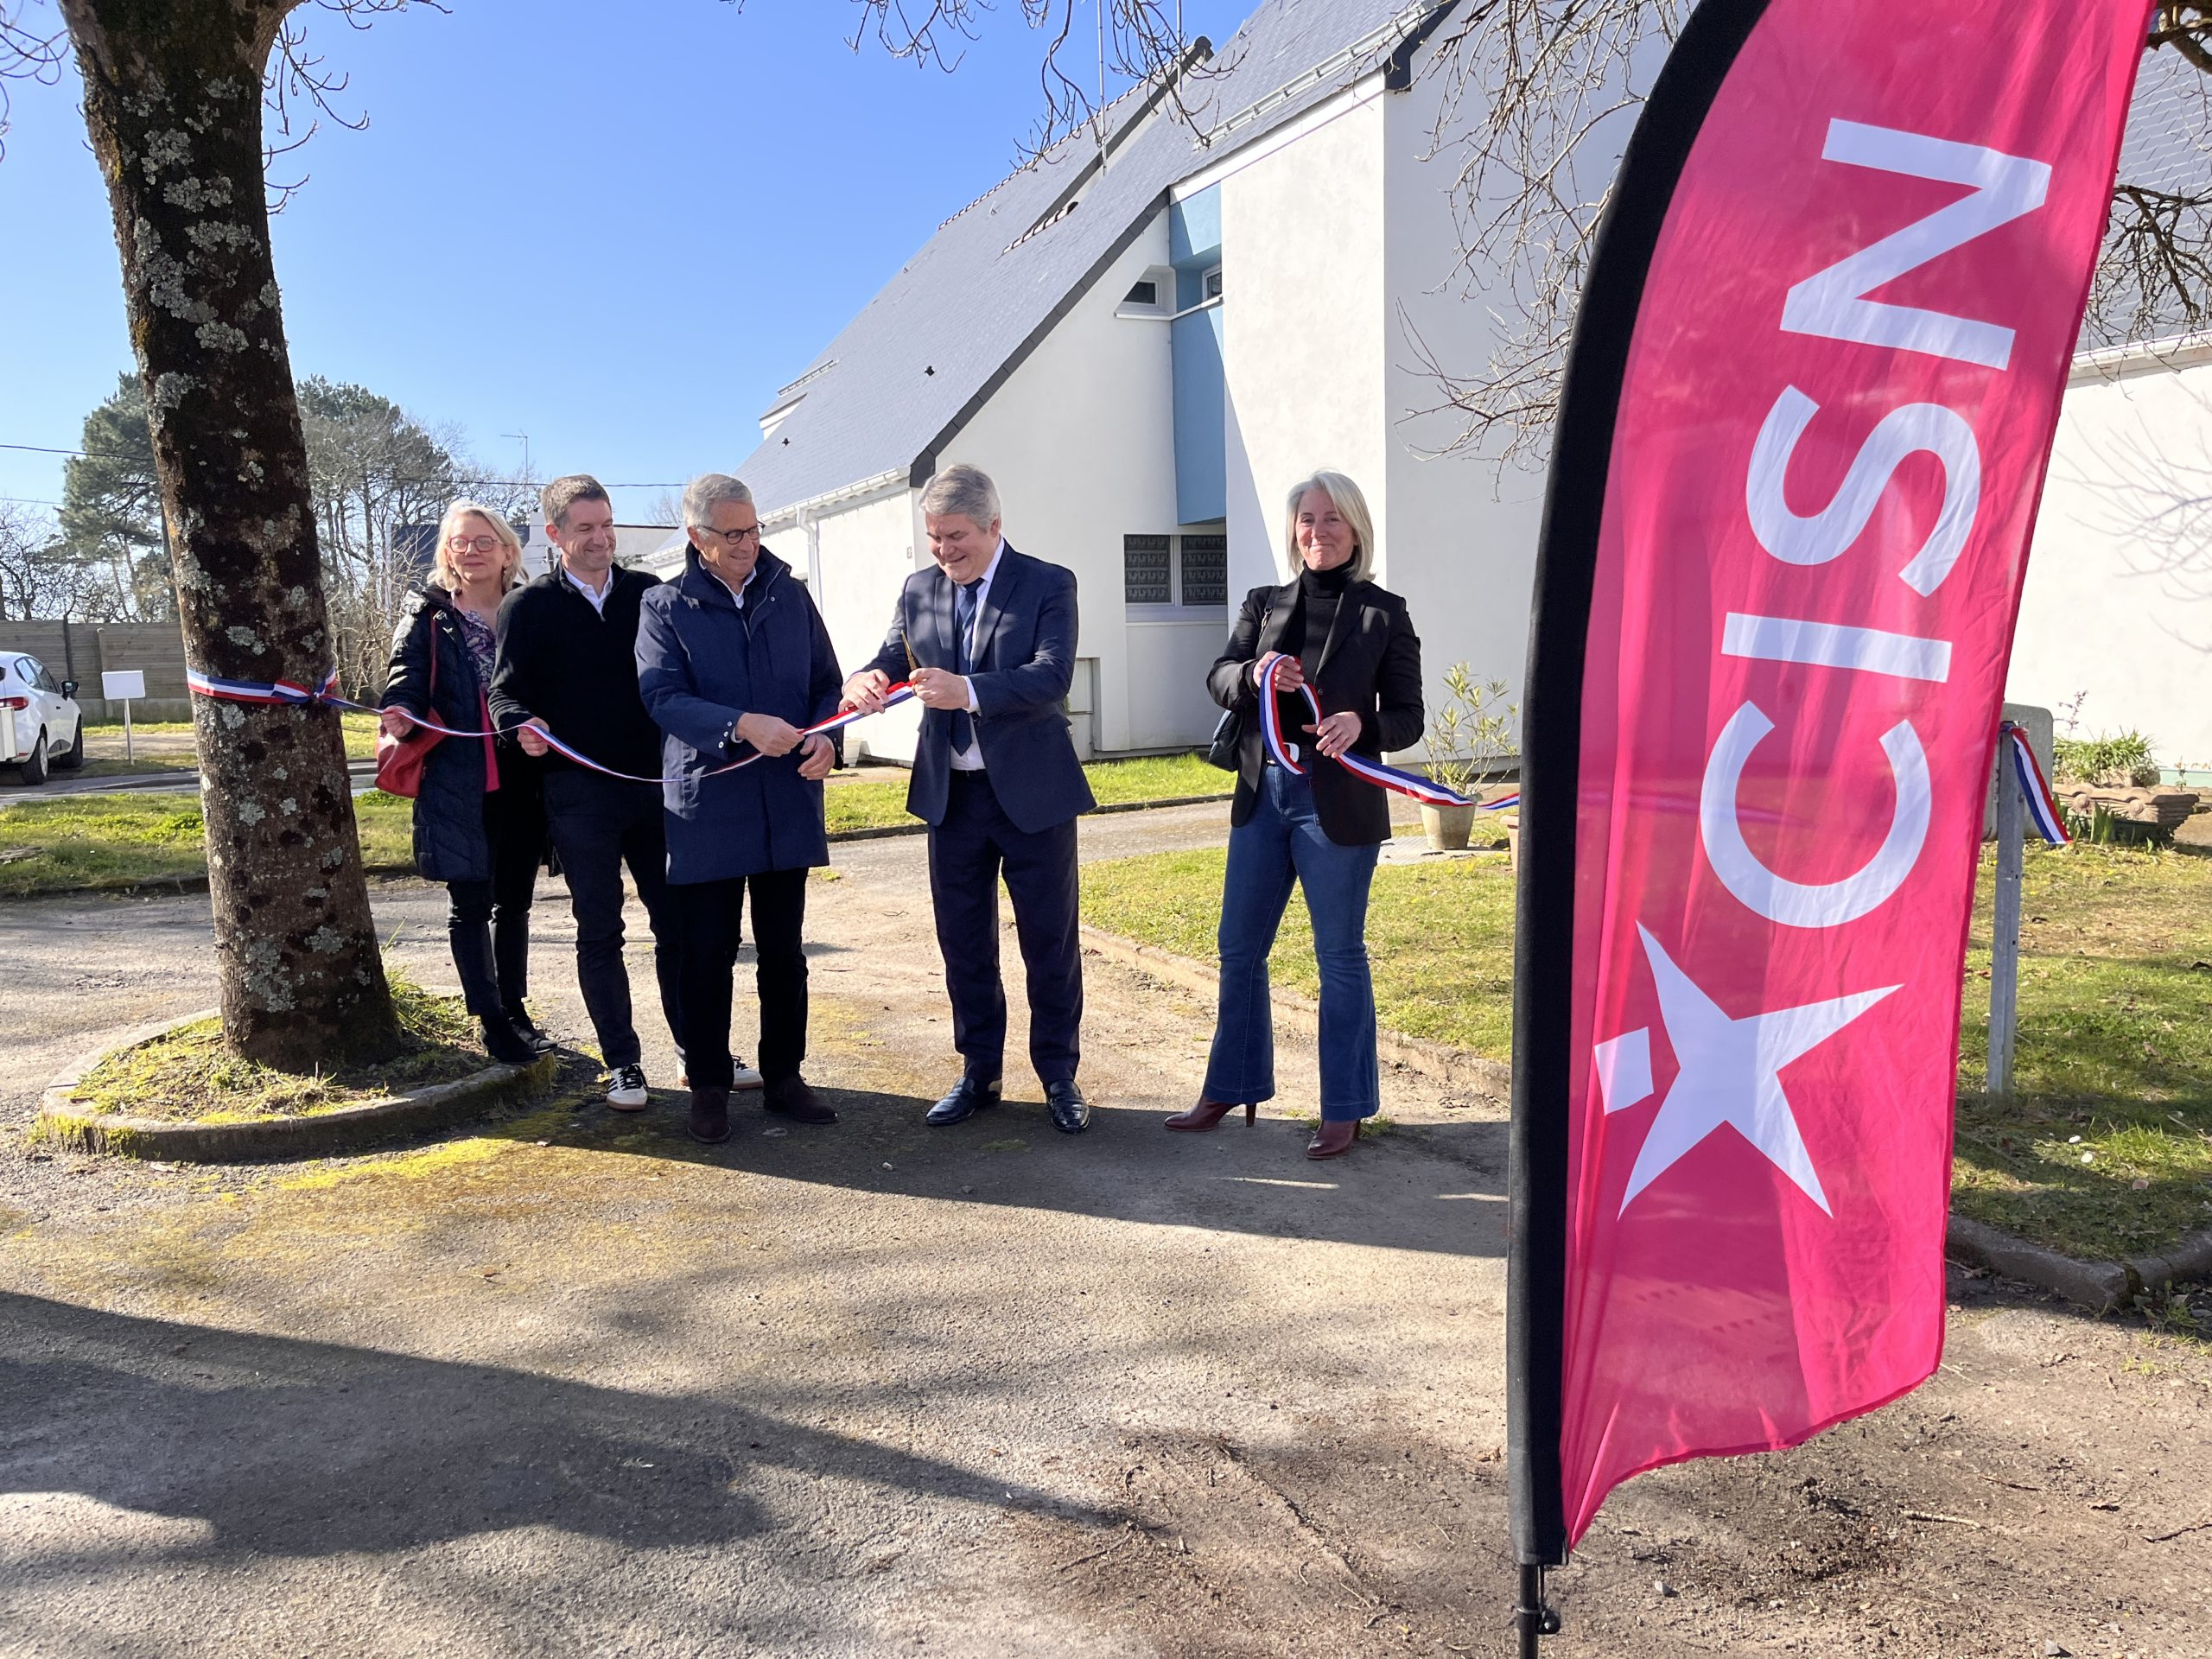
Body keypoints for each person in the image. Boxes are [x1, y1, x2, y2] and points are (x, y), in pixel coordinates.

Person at [1170, 470, 1423, 1160]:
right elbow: (1219, 675)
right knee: (1238, 949)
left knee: (1339, 955)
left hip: (1336, 806)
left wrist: (1359, 723)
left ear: (1356, 529)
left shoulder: (1383, 613)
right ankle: (1232, 1084)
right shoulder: (1263, 603)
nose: (1317, 531)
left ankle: (1344, 1107)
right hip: (1263, 796)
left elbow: (1408, 718)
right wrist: (1253, 675)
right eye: (1307, 520)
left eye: (1332, 519)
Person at [842, 463, 1096, 1134]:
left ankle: (1059, 1076)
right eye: (933, 539)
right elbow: (892, 657)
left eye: (956, 537)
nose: (945, 551)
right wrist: (869, 676)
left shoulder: (1047, 582)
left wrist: (971, 691)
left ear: (993, 526)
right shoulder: (919, 589)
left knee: (1049, 942)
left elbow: (1051, 675)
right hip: (951, 796)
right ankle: (978, 1073)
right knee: (963, 944)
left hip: (1034, 796)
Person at [489, 474, 725, 1111]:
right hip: (577, 797)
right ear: (557, 535)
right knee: (600, 930)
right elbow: (504, 693)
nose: (602, 538)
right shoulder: (527, 607)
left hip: (656, 787)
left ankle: (696, 1052)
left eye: (607, 525)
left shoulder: (651, 595)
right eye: (586, 528)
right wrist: (521, 726)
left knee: (676, 924)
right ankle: (623, 1063)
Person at [637, 474, 844, 1144]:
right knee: (708, 953)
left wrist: (826, 738)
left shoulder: (792, 596)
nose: (749, 544)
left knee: (784, 951)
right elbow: (661, 696)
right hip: (709, 803)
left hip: (785, 801)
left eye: (754, 530)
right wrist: (740, 724)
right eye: (733, 534)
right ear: (697, 539)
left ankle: (785, 1077)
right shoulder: (665, 607)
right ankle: (709, 1086)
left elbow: (826, 685)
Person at [379, 500, 551, 1065]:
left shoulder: (532, 609)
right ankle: (492, 1020)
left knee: (516, 902)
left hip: (527, 776)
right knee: (470, 902)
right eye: (461, 542)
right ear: (447, 553)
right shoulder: (429, 614)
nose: (472, 551)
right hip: (459, 778)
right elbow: (403, 674)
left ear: (506, 550)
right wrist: (401, 712)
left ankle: (516, 1004)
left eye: (484, 541)